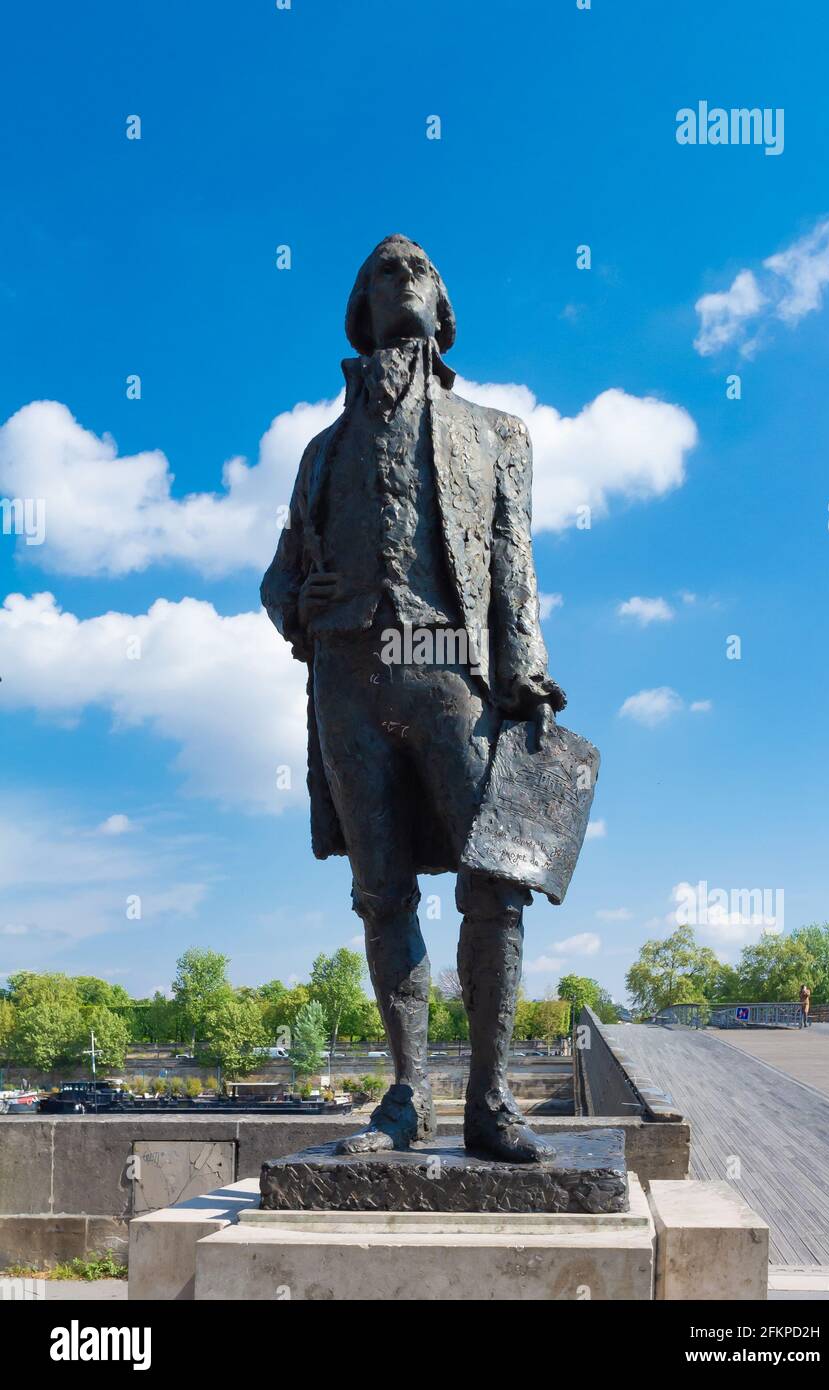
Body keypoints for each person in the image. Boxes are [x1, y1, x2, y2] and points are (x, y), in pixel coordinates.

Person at [261, 235, 565, 1161]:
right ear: (362, 308)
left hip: (451, 667)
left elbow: (515, 566)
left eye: (417, 268)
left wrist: (526, 671)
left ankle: (491, 1100)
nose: (399, 277)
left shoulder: (497, 433)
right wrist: (293, 606)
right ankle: (405, 1099)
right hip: (349, 674)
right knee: (381, 894)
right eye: (380, 271)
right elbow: (277, 579)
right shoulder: (319, 451)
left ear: (442, 307)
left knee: (498, 881)